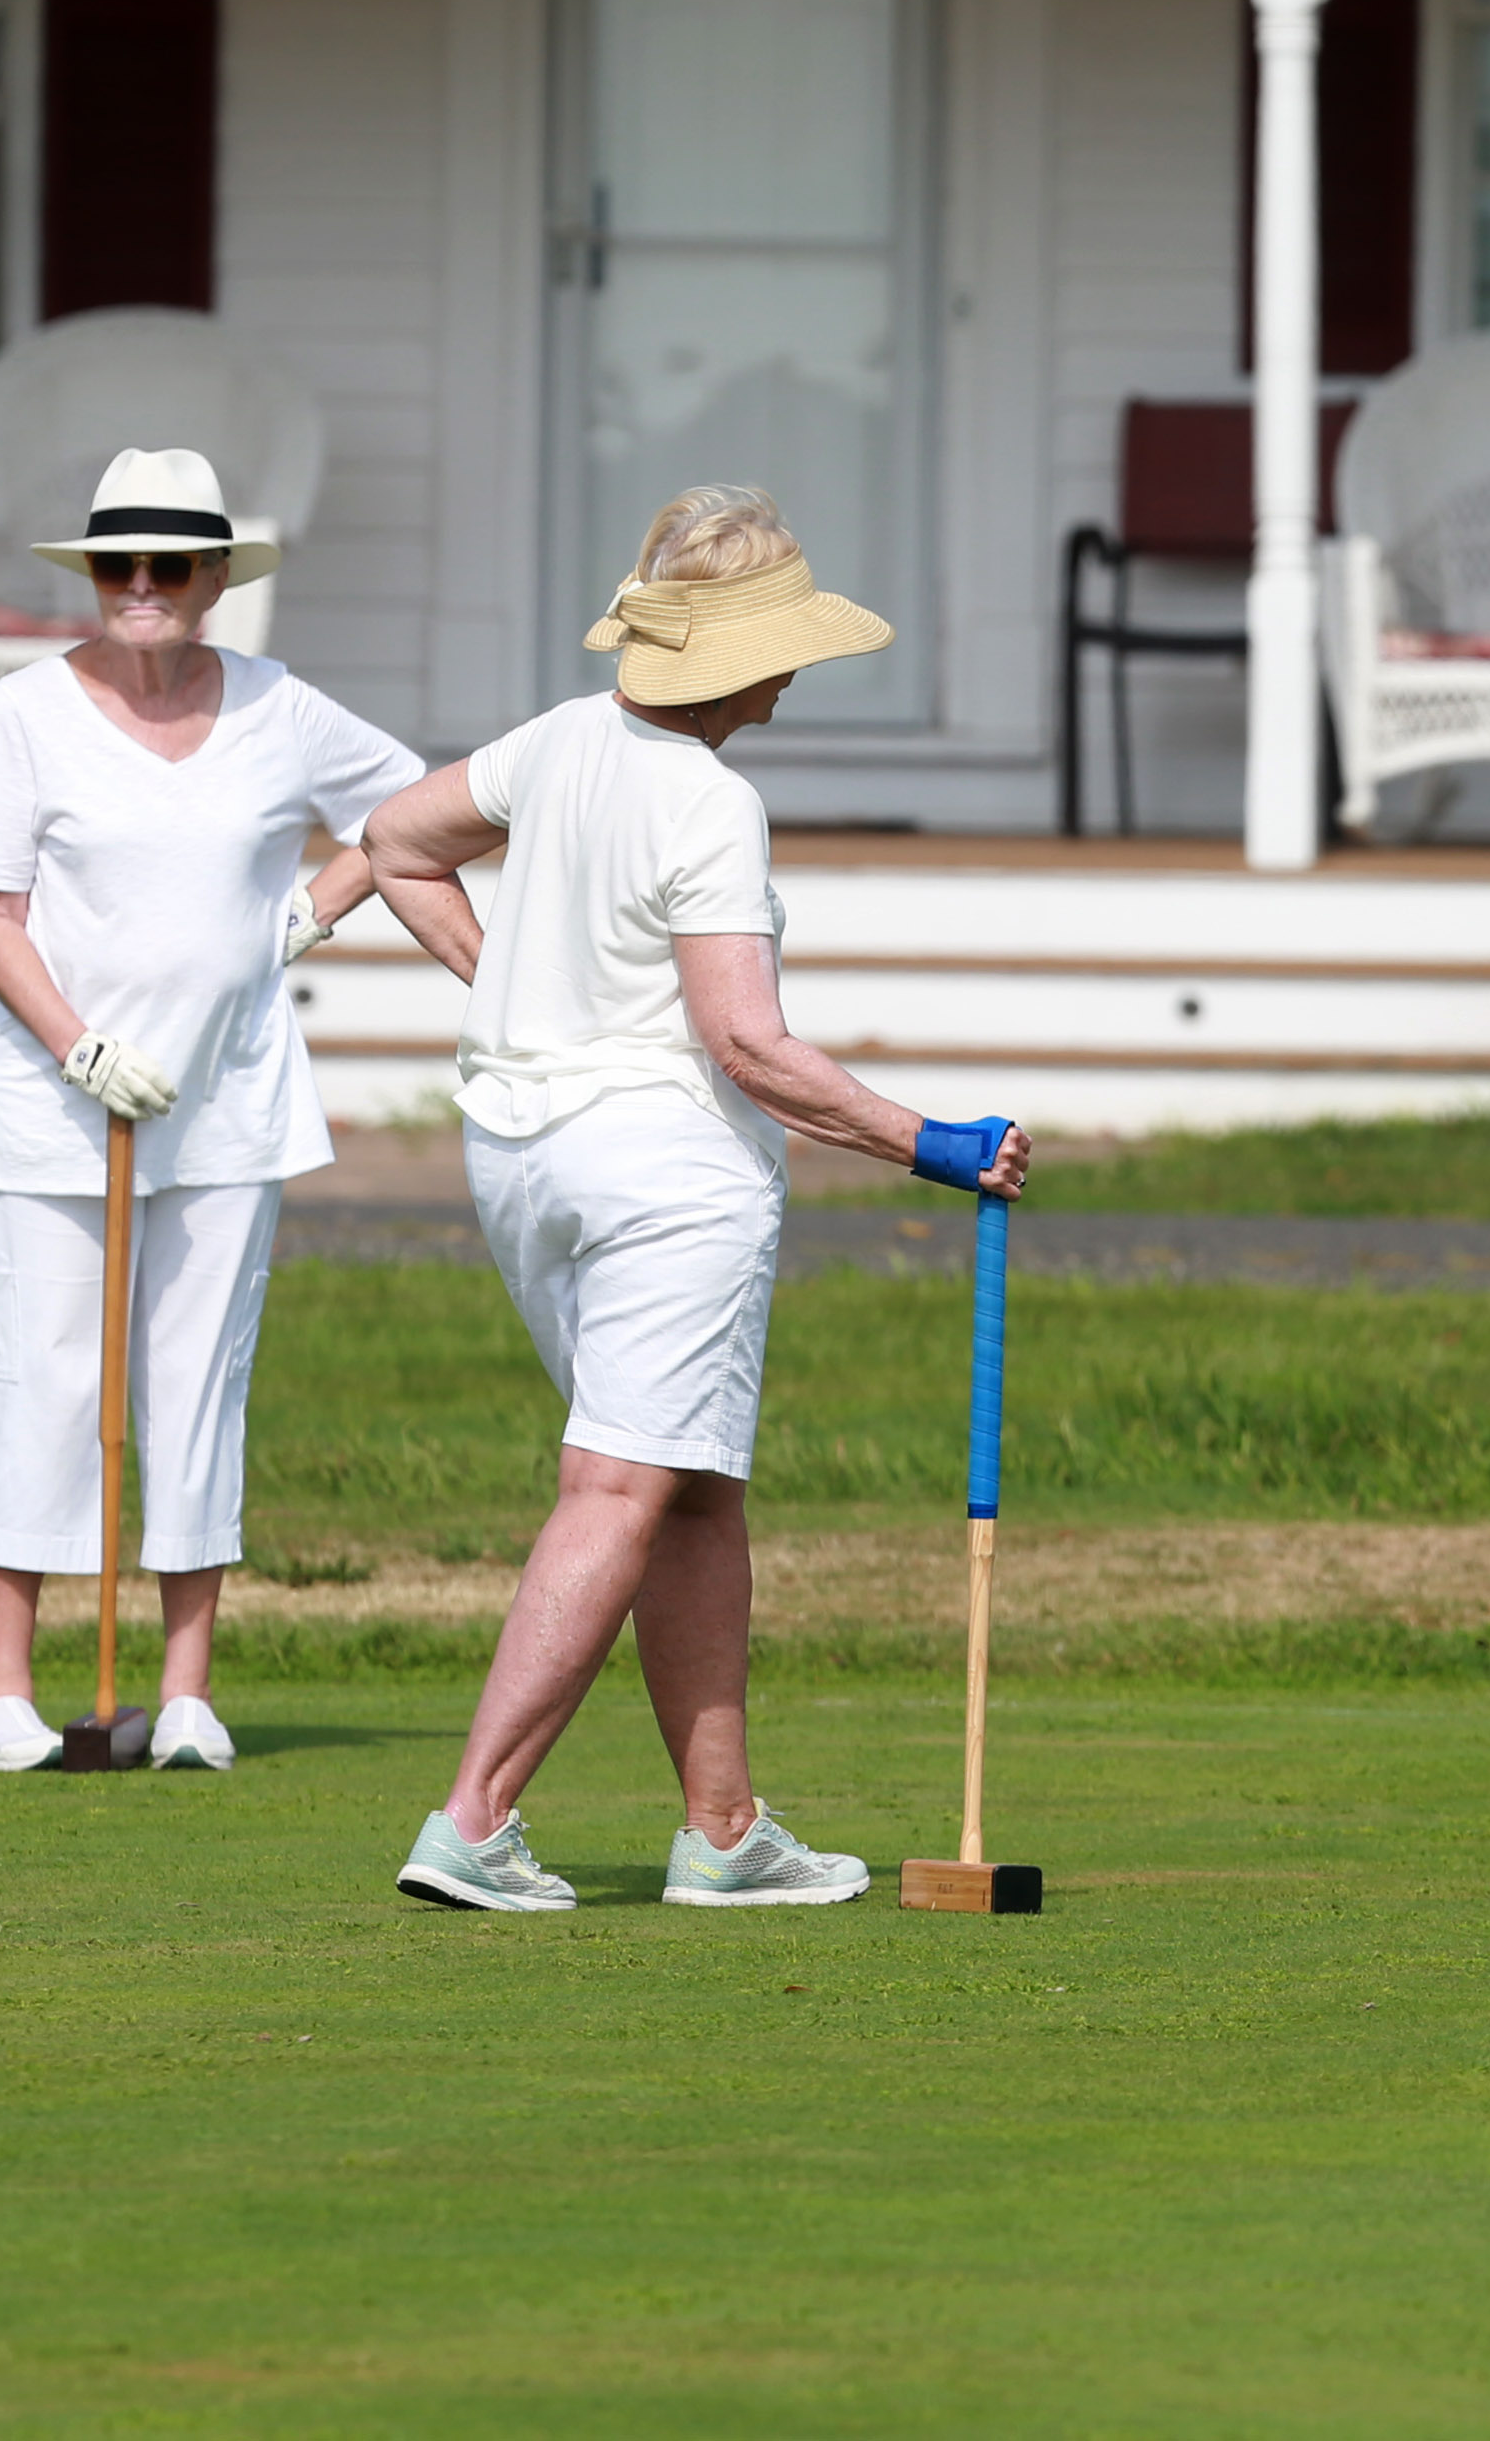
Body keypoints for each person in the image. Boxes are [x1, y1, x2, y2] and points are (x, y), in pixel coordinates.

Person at [359, 485, 1029, 1914]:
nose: (795, 663)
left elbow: (392, 842)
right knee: (618, 1482)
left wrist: (520, 990)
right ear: (733, 658)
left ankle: (722, 1830)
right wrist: (935, 1142)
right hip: (663, 1172)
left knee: (689, 1487)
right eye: (781, 639)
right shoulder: (713, 802)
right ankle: (472, 1819)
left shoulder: (555, 738)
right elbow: (745, 1045)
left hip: (521, 1157)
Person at [0, 445, 421, 1775]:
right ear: (91, 574)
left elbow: (418, 812)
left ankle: (189, 1690)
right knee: (41, 1378)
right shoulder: (25, 709)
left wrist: (308, 910)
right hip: (56, 1103)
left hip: (229, 1095)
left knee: (196, 1381)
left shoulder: (281, 706)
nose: (140, 585)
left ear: (216, 579)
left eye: (169, 564)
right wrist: (77, 1044)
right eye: (116, 563)